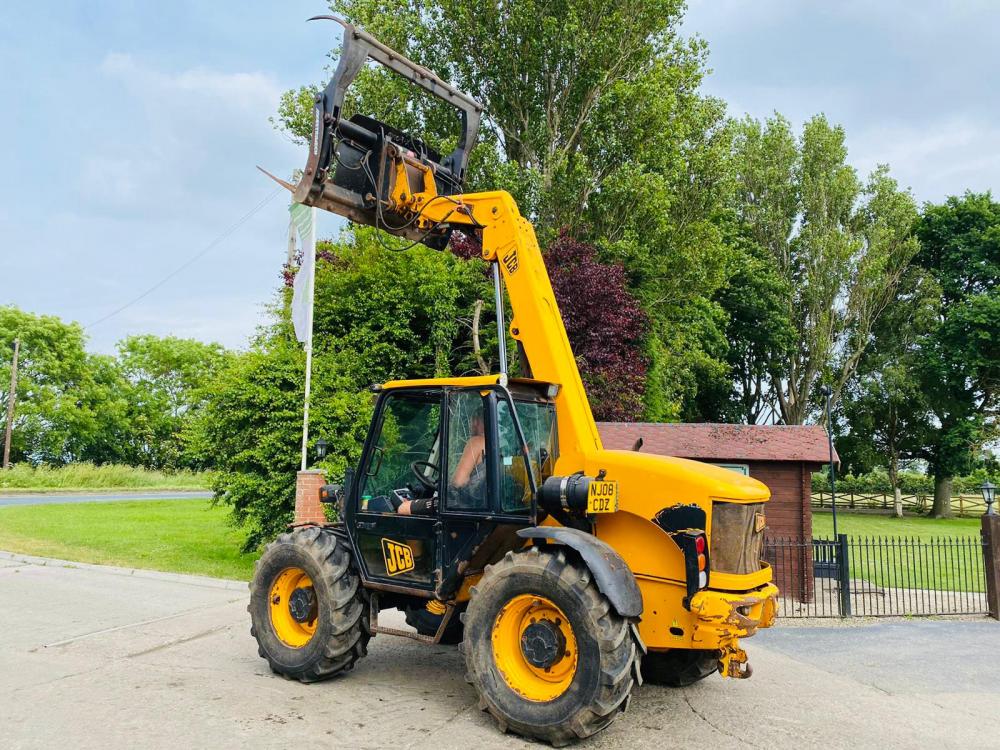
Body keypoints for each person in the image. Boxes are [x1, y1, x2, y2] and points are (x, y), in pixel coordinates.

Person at [398, 413, 485, 514]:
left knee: (403, 508)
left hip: (463, 505)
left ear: (475, 421)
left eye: (471, 421)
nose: (470, 425)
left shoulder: (477, 442)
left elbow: (458, 483)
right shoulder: (498, 447)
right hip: (477, 506)